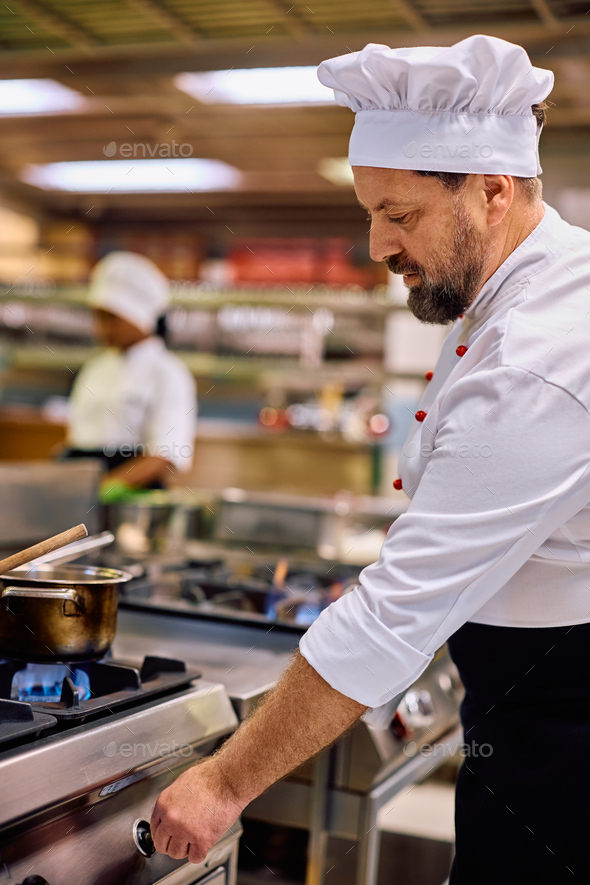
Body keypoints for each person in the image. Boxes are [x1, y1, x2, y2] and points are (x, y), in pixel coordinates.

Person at [150, 35, 590, 883]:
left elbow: (393, 617)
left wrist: (222, 782)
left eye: (400, 214)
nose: (378, 245)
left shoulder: (541, 354)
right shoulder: (521, 288)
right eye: (369, 214)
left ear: (493, 191)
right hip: (531, 706)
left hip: (567, 735)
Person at [65, 251, 196, 488]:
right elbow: (77, 439)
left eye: (111, 319)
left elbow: (165, 454)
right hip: (82, 490)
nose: (102, 329)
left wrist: (108, 486)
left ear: (139, 316)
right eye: (98, 318)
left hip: (135, 498)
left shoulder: (169, 373)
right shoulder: (94, 369)